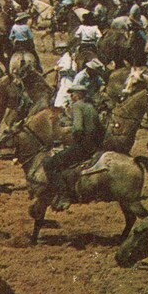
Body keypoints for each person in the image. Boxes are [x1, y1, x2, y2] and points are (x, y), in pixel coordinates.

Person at [43, 83, 103, 211]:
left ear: (79, 95)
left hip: (83, 146)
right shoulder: (91, 106)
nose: (71, 96)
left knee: (51, 164)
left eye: (73, 94)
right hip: (94, 145)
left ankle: (64, 195)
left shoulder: (77, 106)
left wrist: (71, 133)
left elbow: (78, 128)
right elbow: (100, 128)